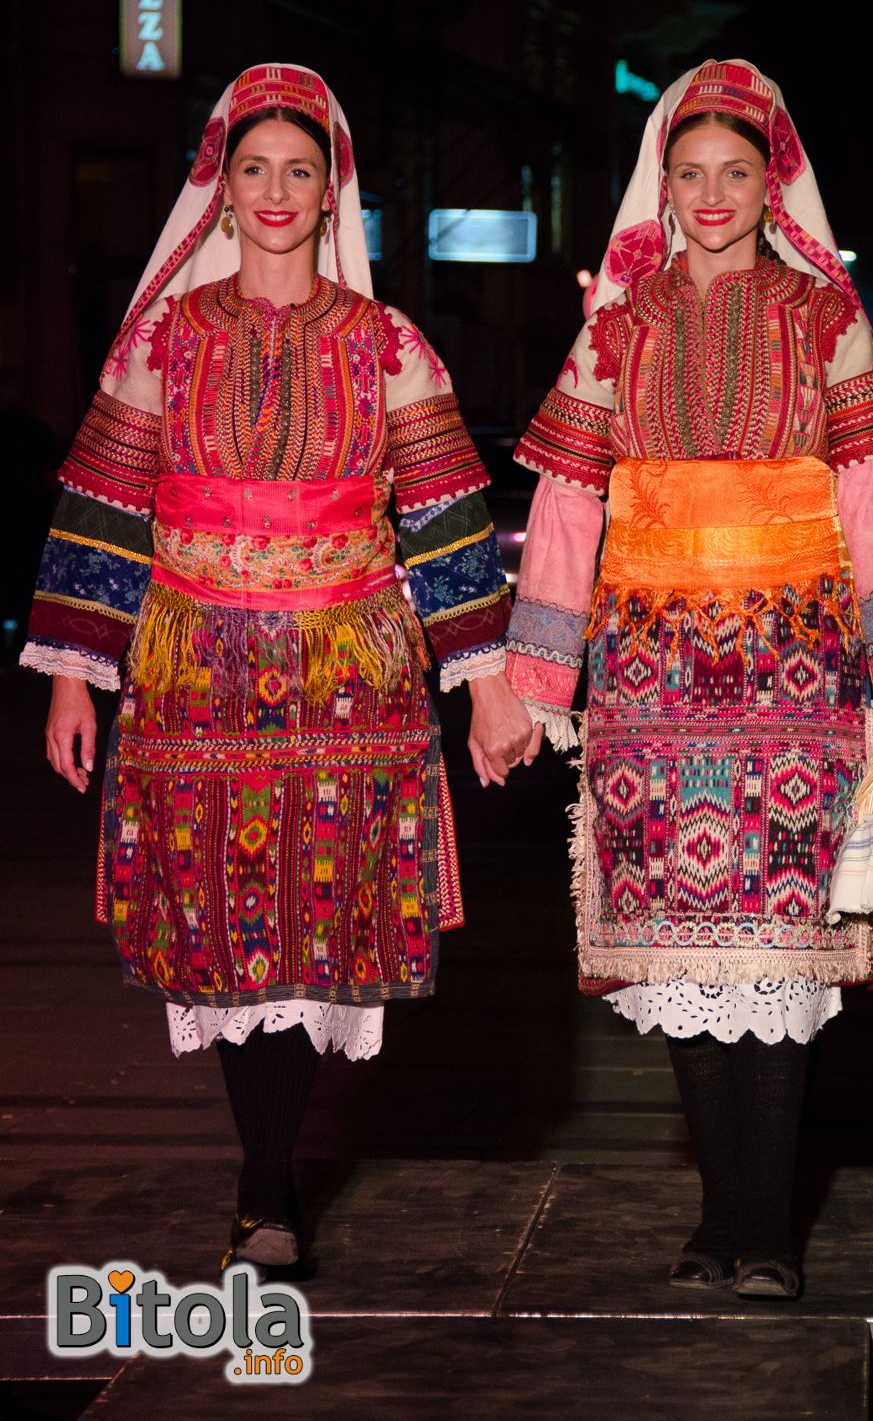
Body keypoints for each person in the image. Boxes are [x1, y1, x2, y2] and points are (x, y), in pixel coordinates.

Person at [22, 63, 536, 1268]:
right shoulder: (163, 340)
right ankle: (265, 1183)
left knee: (314, 922)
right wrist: (69, 671)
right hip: (191, 668)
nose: (273, 190)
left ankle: (270, 1189)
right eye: (252, 168)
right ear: (220, 184)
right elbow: (101, 507)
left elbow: (451, 517)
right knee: (220, 921)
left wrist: (487, 679)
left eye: (298, 171)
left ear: (329, 194)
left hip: (347, 668)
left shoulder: (384, 342)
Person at [505, 59, 873, 1298]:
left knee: (780, 957)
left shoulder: (824, 318)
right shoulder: (617, 323)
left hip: (795, 672)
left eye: (736, 173)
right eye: (690, 173)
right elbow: (565, 505)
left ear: (771, 187)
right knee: (683, 955)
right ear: (659, 185)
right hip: (650, 679)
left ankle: (764, 1227)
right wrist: (534, 683)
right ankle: (720, 1217)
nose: (712, 195)